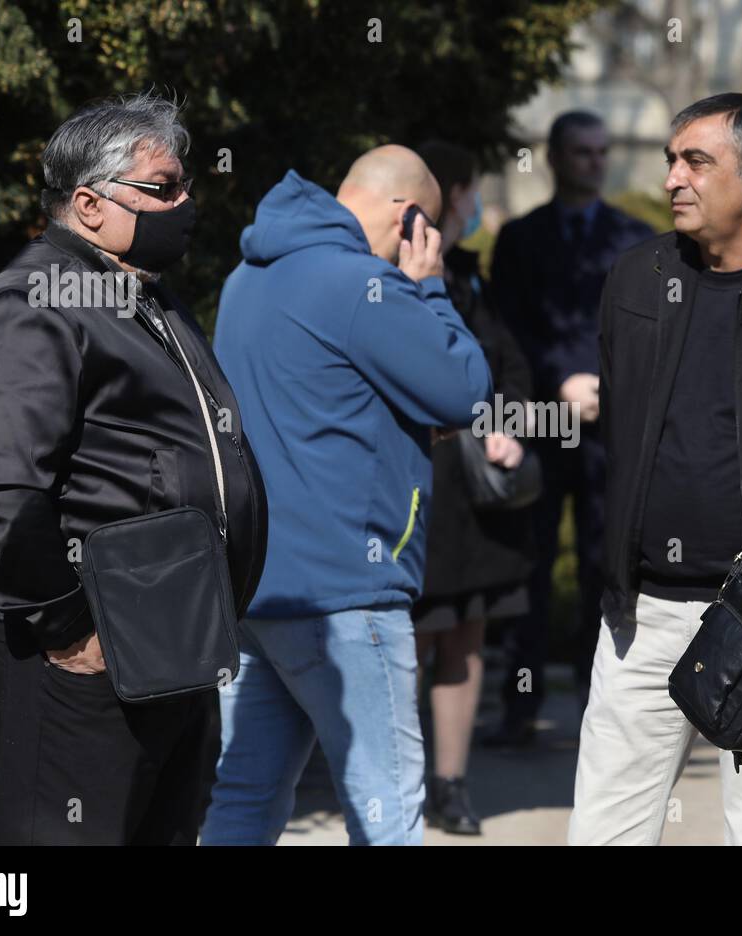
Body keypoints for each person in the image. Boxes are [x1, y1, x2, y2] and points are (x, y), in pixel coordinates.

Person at [0, 92, 268, 845]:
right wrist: (71, 629)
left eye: (185, 185)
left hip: (171, 640)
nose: (185, 203)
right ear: (89, 205)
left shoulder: (144, 295)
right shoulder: (35, 301)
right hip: (80, 654)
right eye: (163, 189)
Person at [201, 146, 493, 846]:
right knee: (386, 807)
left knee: (244, 795)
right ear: (411, 218)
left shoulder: (248, 277)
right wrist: (429, 288)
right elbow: (465, 391)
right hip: (348, 597)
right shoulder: (362, 285)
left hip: (256, 593)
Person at [569, 93, 742, 846]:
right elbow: (620, 427)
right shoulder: (636, 278)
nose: (672, 180)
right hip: (642, 612)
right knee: (603, 833)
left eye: (695, 161)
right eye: (670, 160)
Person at [488, 110, 654, 745]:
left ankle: (596, 709)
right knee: (528, 561)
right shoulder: (521, 239)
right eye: (581, 151)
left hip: (608, 426)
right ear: (554, 158)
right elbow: (513, 327)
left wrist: (603, 387)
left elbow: (641, 330)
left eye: (601, 150)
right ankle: (519, 710)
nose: (594, 161)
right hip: (539, 417)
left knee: (602, 562)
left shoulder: (634, 238)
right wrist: (562, 381)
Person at [410, 140, 537, 835]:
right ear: (449, 194)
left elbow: (511, 366)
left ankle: (449, 785)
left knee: (466, 637)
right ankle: (397, 779)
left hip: (475, 499)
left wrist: (508, 422)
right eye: (470, 191)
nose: (477, 204)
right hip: (419, 495)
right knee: (413, 642)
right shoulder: (389, 276)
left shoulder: (470, 276)